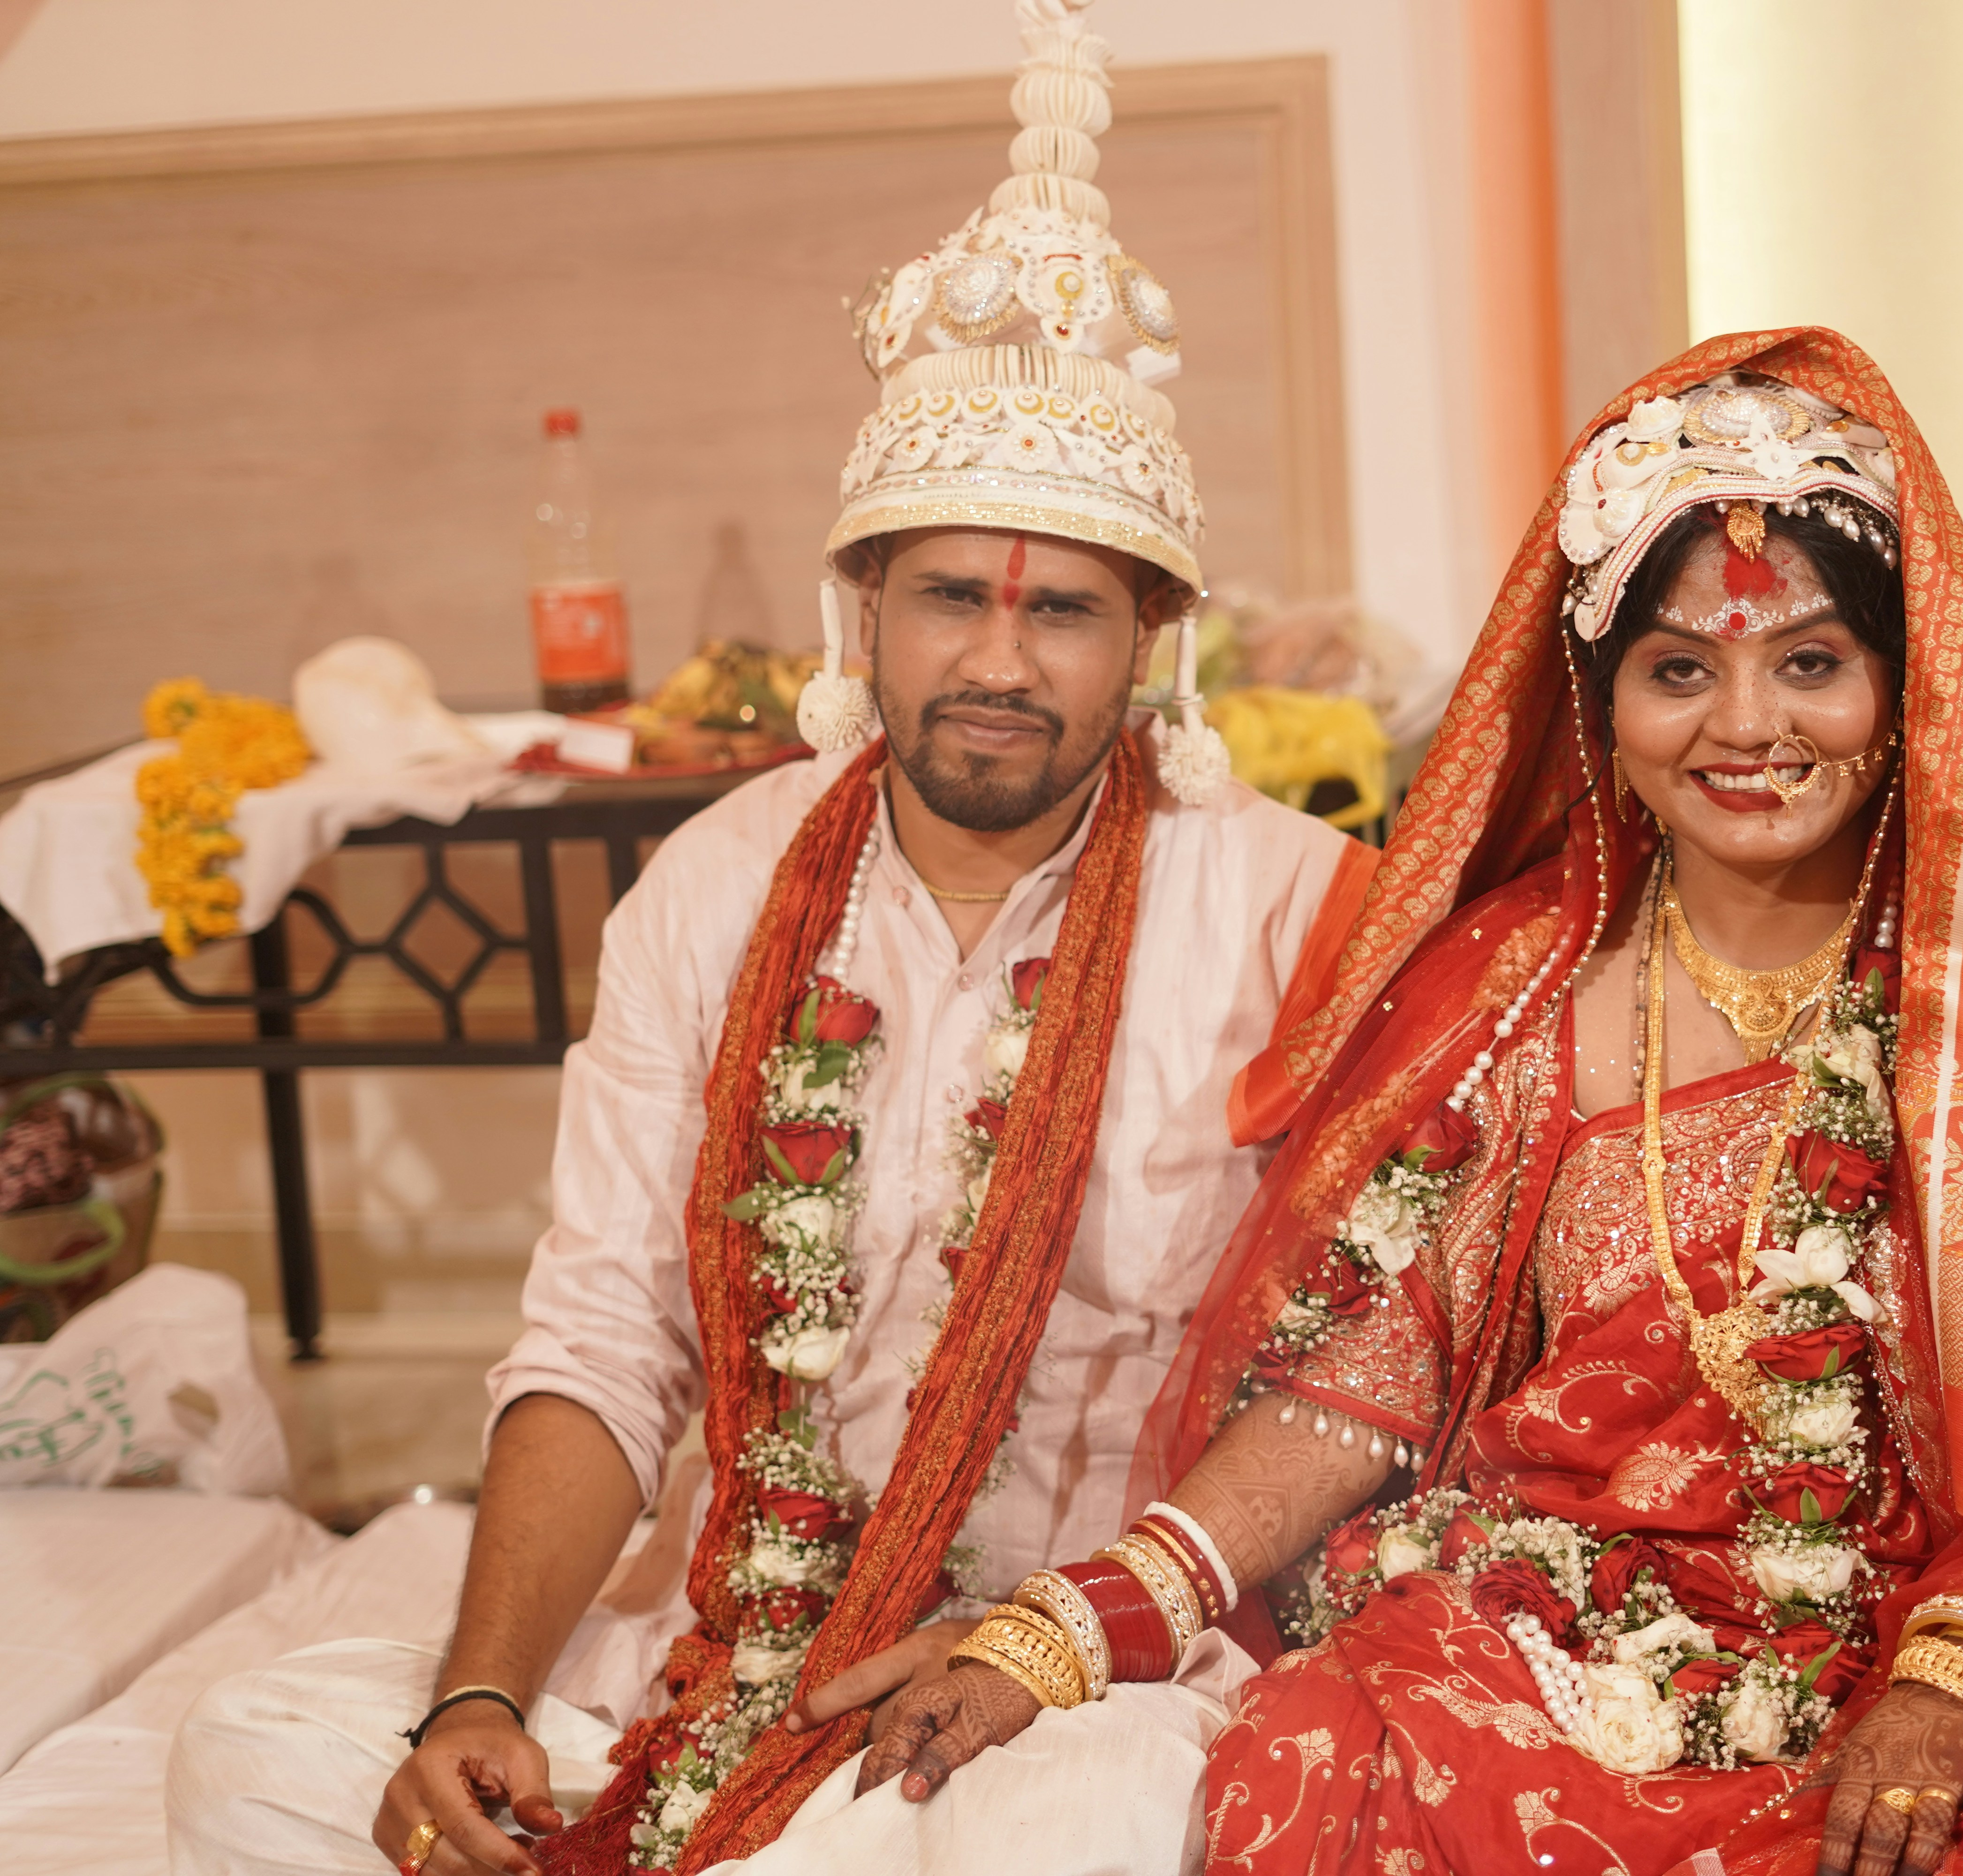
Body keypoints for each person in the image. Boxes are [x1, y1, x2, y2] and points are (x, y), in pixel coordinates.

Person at [851, 332, 1963, 1876]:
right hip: (1557, 1621)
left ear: (1899, 685)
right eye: (1679, 668)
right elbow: (1377, 1375)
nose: (1749, 723)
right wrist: (1079, 1615)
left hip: (1961, 1618)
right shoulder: (1516, 987)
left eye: (1810, 658)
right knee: (1309, 1763)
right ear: (1606, 705)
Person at [163, 4, 1371, 1873]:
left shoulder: (1290, 904)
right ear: (862, 614)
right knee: (252, 1759)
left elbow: (1365, 1368)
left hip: (1081, 1667)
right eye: (950, 592)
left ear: (1152, 643)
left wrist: (1071, 1630)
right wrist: (479, 1694)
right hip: (736, 1622)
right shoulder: (717, 888)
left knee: (1096, 1843)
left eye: (1064, 611)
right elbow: (604, 1334)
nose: (995, 660)